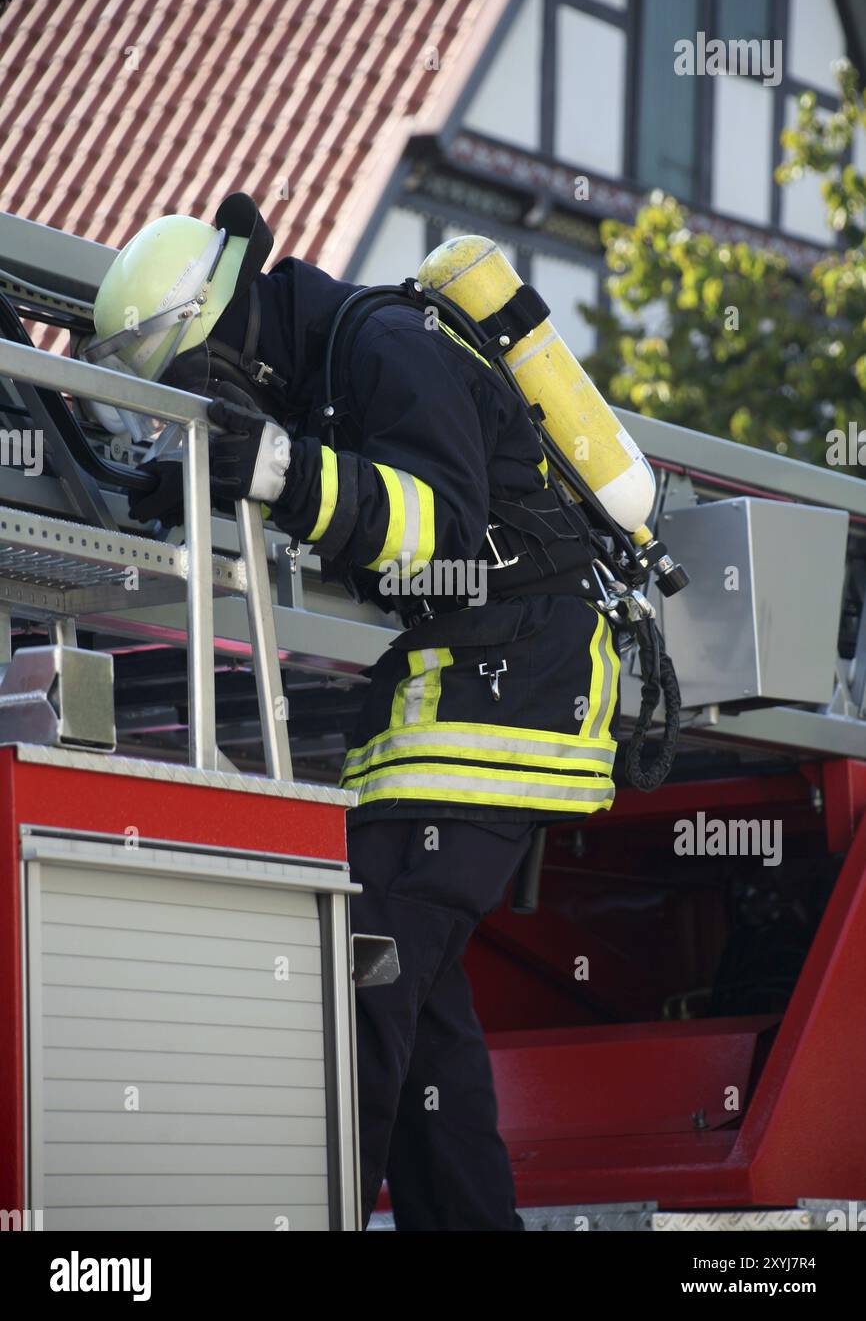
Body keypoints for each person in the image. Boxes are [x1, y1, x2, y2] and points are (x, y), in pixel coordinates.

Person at [86, 192, 621, 1231]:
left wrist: (278, 471)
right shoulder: (327, 372)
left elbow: (444, 534)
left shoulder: (385, 342)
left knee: (354, 974)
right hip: (464, 680)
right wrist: (194, 482)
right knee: (417, 1021)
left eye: (194, 386)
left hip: (506, 685)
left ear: (228, 337)